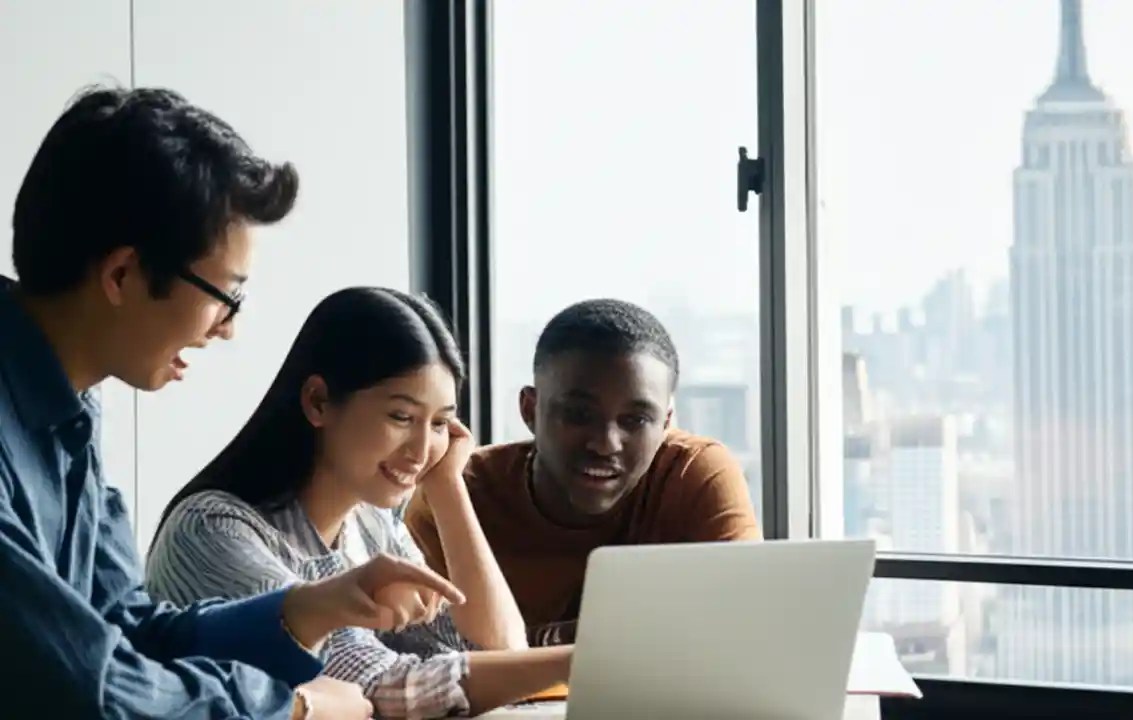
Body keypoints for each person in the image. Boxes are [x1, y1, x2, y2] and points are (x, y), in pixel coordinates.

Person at [0, 86, 463, 719]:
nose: (228, 328)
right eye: (227, 295)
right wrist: (287, 708)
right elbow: (85, 688)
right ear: (122, 275)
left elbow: (130, 628)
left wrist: (309, 608)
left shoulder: (67, 410)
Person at [147, 287, 574, 718]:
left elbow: (497, 648)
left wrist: (447, 489)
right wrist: (574, 661)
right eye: (401, 417)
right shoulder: (212, 530)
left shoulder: (371, 523)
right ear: (318, 401)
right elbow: (383, 690)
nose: (423, 449)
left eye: (441, 422)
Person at [405, 298, 762, 646]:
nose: (606, 444)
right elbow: (435, 657)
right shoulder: (457, 494)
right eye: (578, 415)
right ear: (530, 410)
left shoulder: (693, 475)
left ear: (665, 423)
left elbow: (746, 624)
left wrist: (554, 638)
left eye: (635, 421)